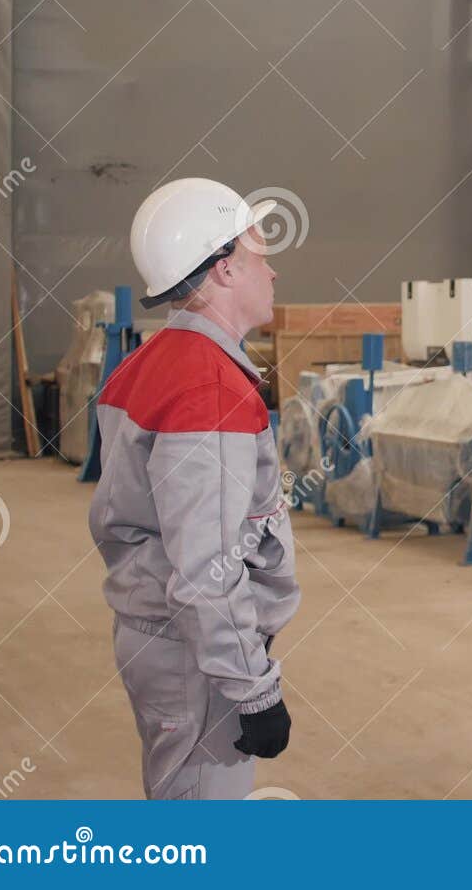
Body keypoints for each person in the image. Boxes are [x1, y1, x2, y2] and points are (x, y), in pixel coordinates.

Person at [89, 177, 299, 799]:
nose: (274, 275)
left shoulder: (151, 363)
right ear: (226, 270)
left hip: (165, 639)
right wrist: (252, 686)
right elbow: (206, 564)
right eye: (262, 257)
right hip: (195, 655)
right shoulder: (208, 387)